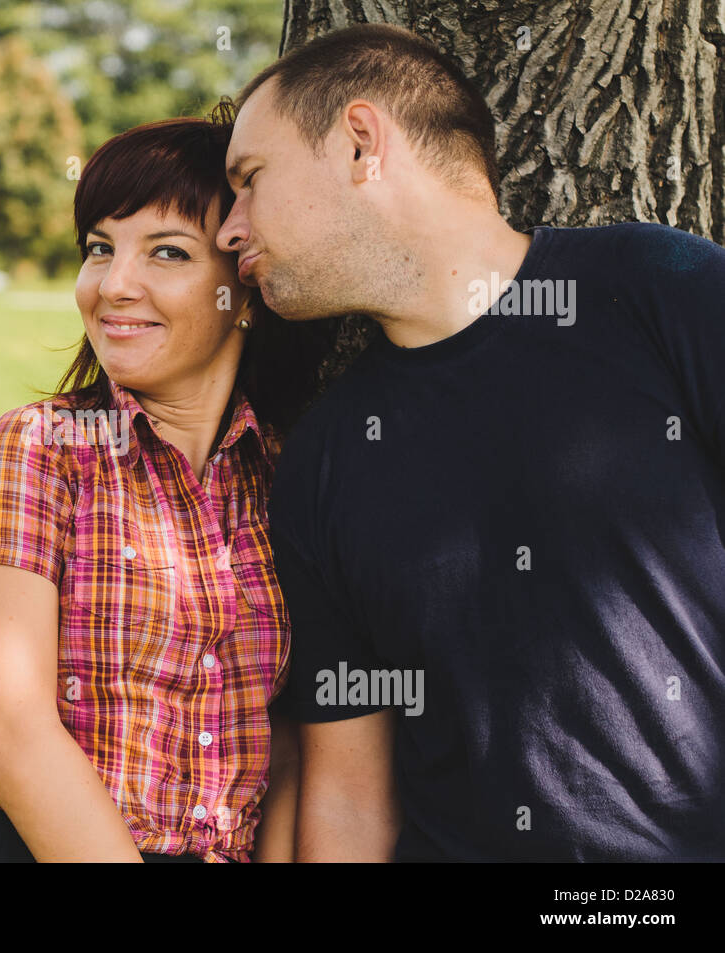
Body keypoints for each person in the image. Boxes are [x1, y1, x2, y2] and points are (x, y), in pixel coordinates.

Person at [217, 22, 725, 862]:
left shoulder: (667, 293)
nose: (231, 228)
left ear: (359, 143)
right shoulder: (322, 460)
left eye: (249, 181)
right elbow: (348, 799)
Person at [0, 105, 333, 862]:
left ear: (245, 290)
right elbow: (13, 725)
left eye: (166, 253)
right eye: (100, 248)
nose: (113, 284)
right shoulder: (37, 450)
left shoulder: (293, 478)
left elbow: (291, 749)